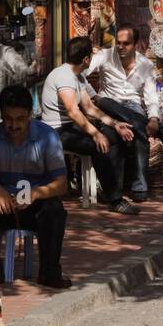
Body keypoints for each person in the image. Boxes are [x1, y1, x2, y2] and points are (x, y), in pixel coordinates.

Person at [0, 85, 71, 289]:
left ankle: (50, 272)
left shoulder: (48, 137)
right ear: (2, 115)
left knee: (54, 209)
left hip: (34, 208)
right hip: (2, 208)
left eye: (20, 119)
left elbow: (62, 185)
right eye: (8, 119)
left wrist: (37, 193)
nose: (14, 125)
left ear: (29, 116)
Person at [42, 36, 141, 214]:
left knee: (114, 138)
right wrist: (96, 134)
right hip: (54, 131)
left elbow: (89, 107)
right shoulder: (64, 76)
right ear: (86, 59)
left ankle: (112, 189)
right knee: (98, 145)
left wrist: (116, 123)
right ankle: (115, 200)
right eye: (91, 56)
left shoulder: (78, 77)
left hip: (71, 127)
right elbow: (73, 111)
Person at [84, 23, 163, 203]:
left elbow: (151, 96)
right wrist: (93, 95)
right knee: (112, 135)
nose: (120, 47)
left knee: (139, 135)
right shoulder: (104, 56)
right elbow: (80, 73)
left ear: (135, 44)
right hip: (109, 104)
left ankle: (140, 186)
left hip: (132, 108)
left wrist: (153, 118)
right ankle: (115, 188)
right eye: (118, 43)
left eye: (126, 44)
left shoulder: (145, 65)